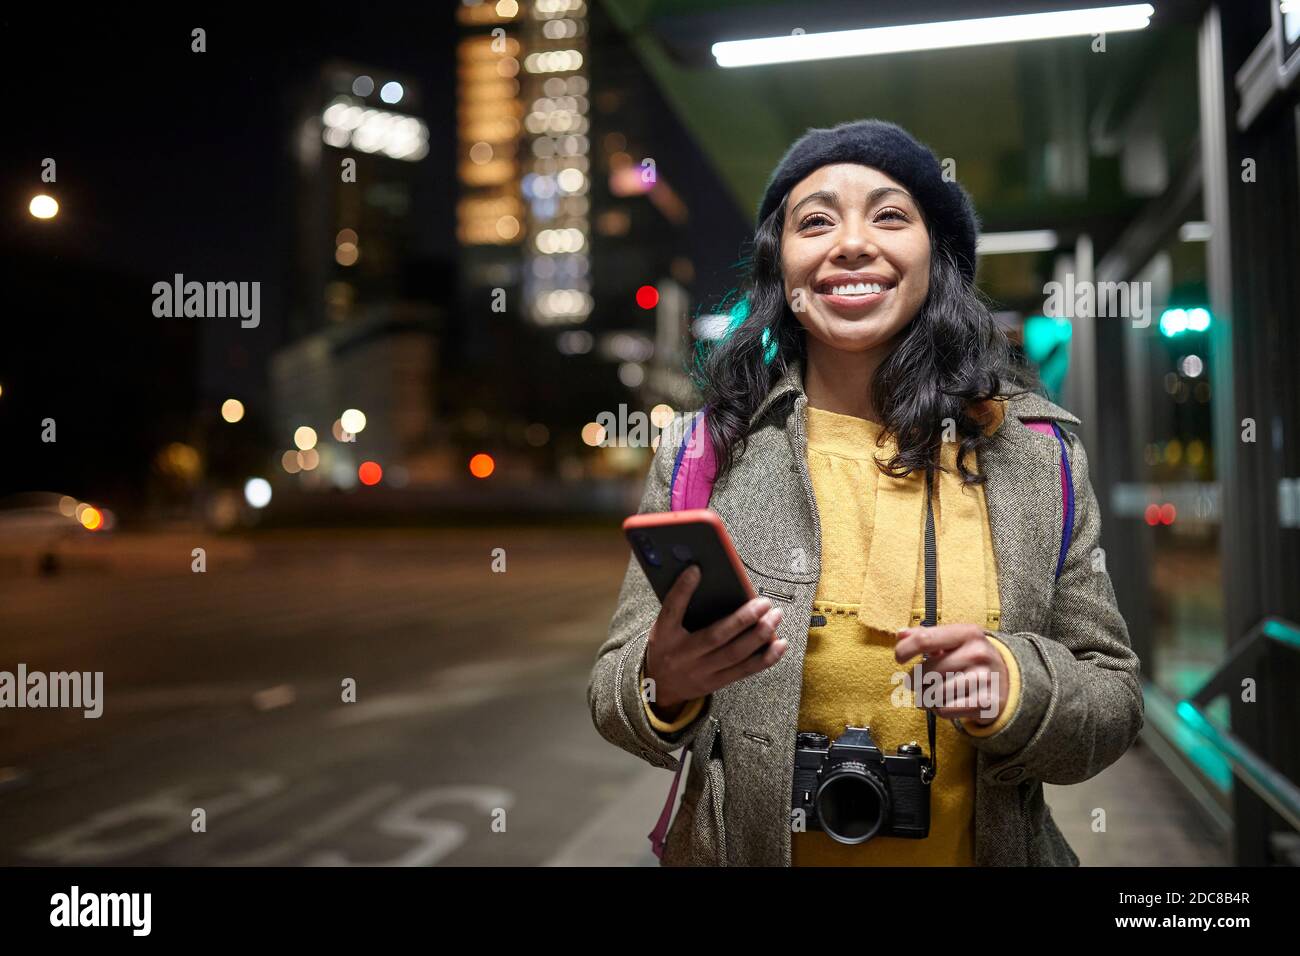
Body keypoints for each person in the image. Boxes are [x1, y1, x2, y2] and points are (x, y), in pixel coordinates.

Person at [587, 119, 1144, 866]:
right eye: (814, 221)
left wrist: (1015, 685)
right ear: (781, 268)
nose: (850, 243)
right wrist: (664, 684)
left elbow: (1113, 702)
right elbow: (613, 696)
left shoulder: (1037, 457)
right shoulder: (704, 455)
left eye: (889, 215)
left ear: (935, 259)